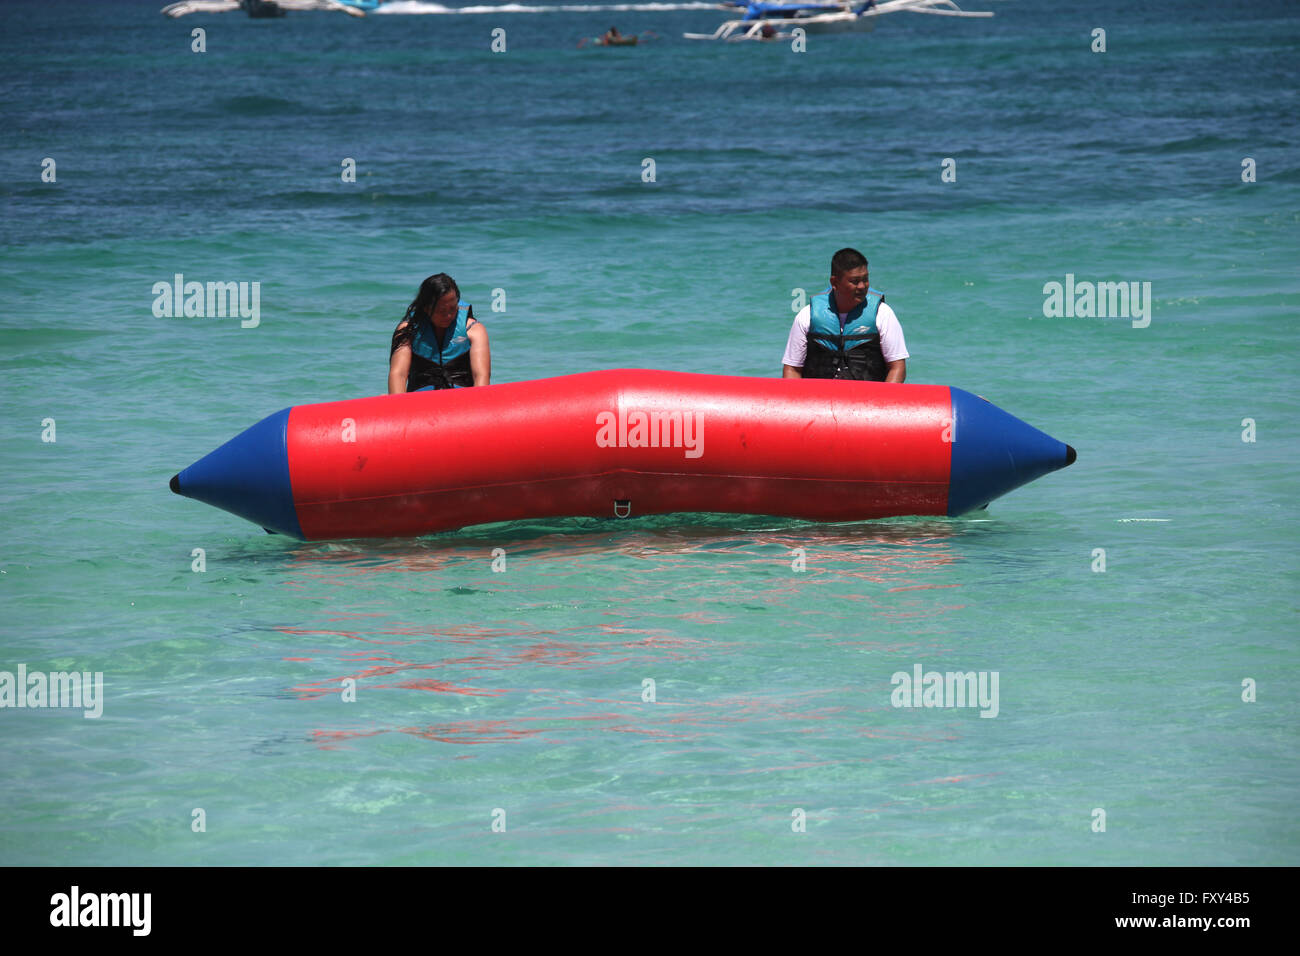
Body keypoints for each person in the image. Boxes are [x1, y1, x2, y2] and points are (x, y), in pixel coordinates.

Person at [781, 247, 908, 383]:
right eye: (854, 281)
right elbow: (792, 369)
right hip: (819, 400)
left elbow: (897, 367)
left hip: (867, 401)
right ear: (834, 282)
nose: (862, 286)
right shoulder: (807, 316)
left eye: (865, 279)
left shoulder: (883, 314)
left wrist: (881, 402)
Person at [388, 273, 490, 394]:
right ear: (426, 308)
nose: (448, 315)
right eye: (441, 311)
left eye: (453, 308)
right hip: (420, 402)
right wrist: (400, 408)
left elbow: (481, 376)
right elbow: (398, 374)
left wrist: (476, 408)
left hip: (462, 402)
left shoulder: (474, 330)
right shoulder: (408, 330)